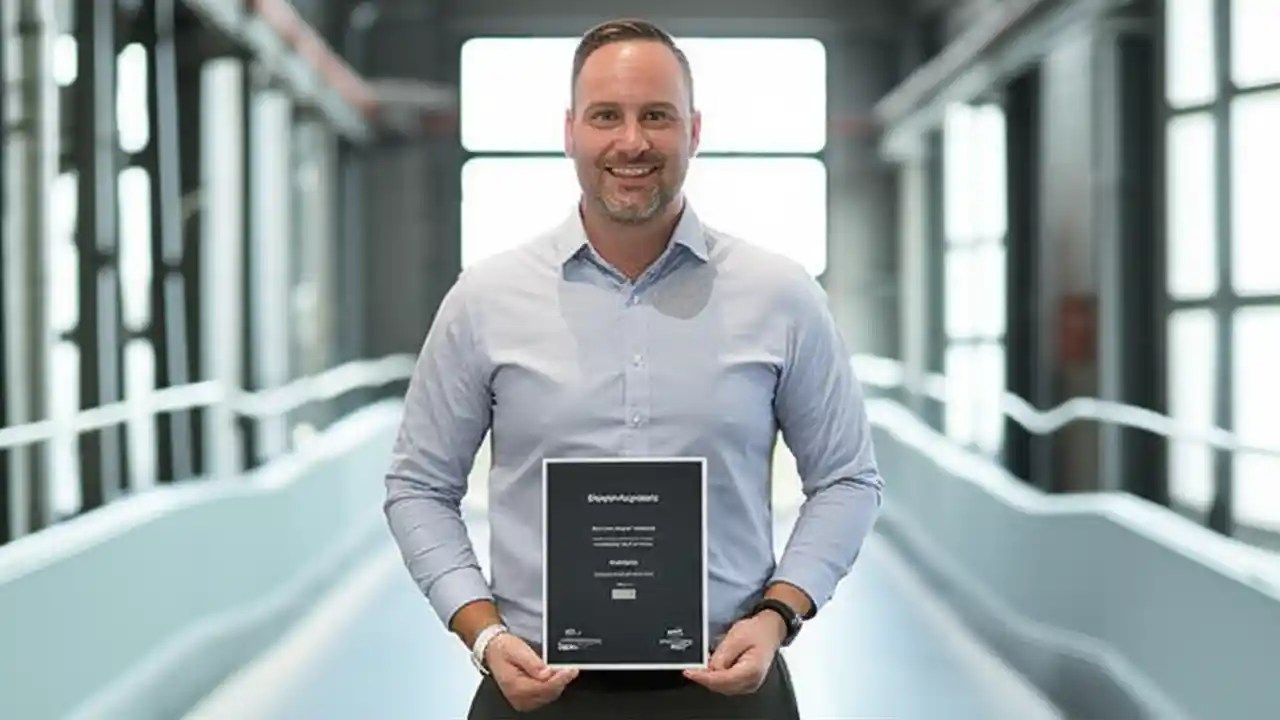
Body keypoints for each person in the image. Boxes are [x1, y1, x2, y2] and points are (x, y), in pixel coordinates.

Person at [383, 17, 884, 719]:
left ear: (694, 130)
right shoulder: (485, 300)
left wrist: (777, 616)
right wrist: (484, 633)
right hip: (536, 695)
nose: (631, 141)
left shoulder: (782, 296)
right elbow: (417, 487)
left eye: (657, 116)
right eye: (605, 116)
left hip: (727, 692)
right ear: (569, 132)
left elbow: (846, 479)